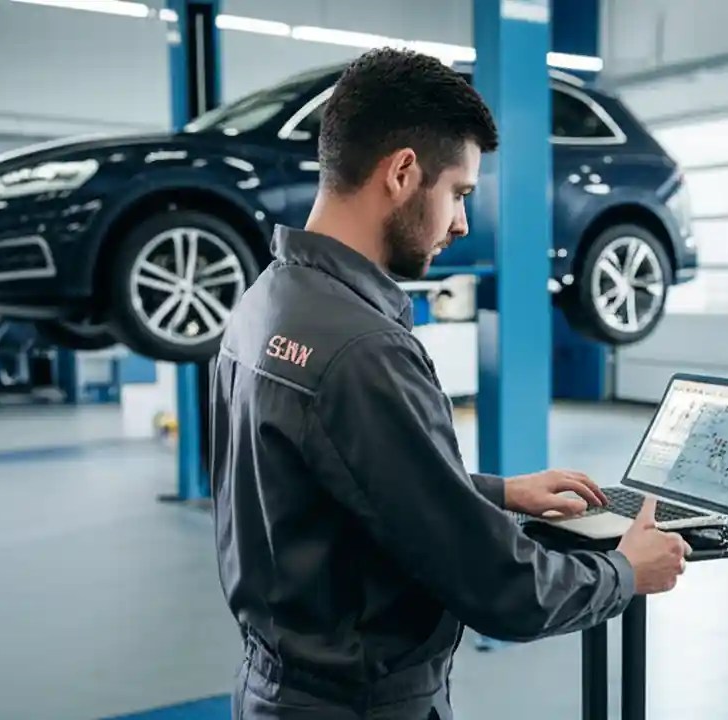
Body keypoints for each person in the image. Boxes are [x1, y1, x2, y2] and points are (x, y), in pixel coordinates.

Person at [208, 48, 690, 720]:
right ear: (403, 172)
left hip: (277, 689)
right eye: (459, 193)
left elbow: (339, 483)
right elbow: (498, 586)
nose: (462, 223)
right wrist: (626, 571)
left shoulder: (266, 303)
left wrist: (499, 493)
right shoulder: (364, 350)